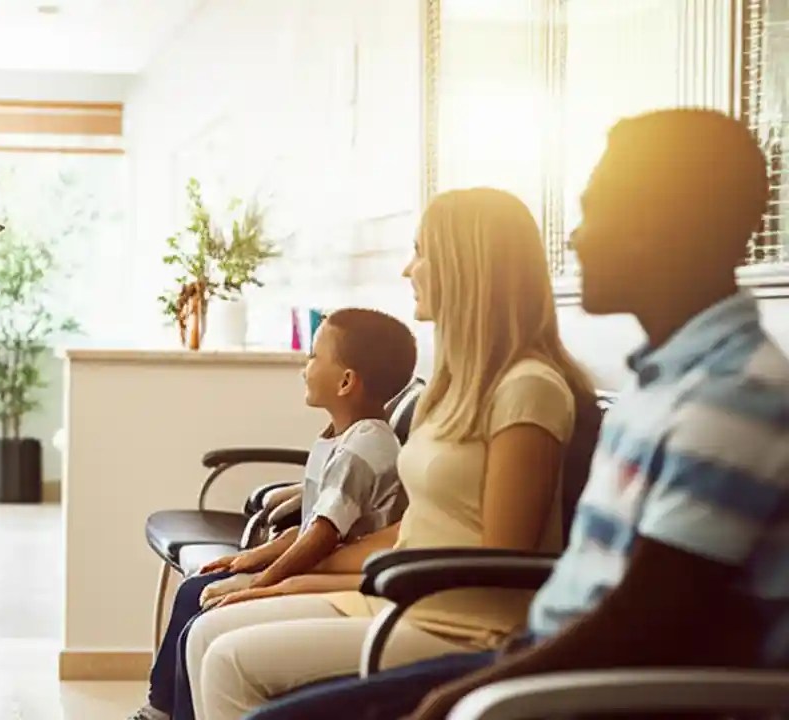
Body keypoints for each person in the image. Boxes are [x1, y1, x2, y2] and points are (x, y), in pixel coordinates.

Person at [246, 108, 789, 720]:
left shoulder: (733, 397)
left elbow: (646, 619)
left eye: (595, 210)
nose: (575, 238)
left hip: (603, 691)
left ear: (657, 228)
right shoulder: (664, 381)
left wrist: (465, 694)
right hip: (552, 661)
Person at [182, 188, 599, 720]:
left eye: (421, 252)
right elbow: (415, 532)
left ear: (464, 266)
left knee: (229, 660)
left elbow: (500, 560)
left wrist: (327, 579)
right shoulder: (455, 389)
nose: (408, 270)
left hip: (463, 626)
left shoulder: (529, 390)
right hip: (406, 599)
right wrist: (302, 574)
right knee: (209, 631)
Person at [129, 308, 419, 720]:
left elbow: (322, 536)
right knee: (198, 587)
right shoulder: (341, 438)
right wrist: (249, 557)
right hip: (322, 562)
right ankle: (160, 709)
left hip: (339, 576)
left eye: (314, 356)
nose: (305, 367)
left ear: (346, 381)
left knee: (201, 601)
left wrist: (260, 584)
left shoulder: (364, 448)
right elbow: (311, 526)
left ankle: (165, 712)